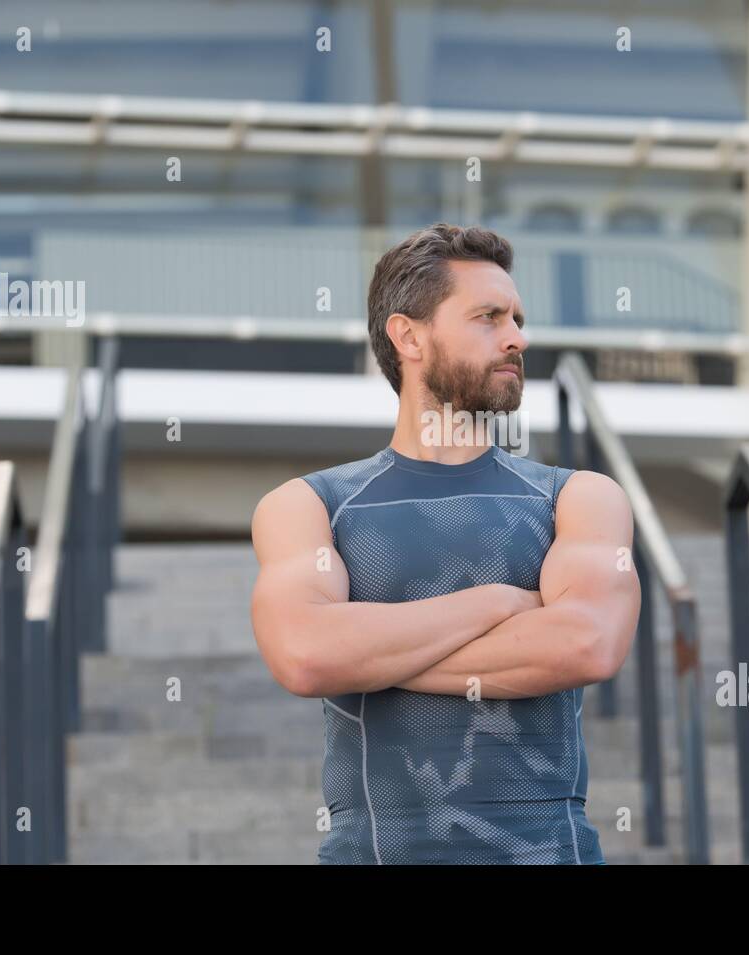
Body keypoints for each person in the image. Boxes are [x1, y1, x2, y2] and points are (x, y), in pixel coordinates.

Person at [249, 223, 639, 864]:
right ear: (409, 337)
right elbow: (305, 657)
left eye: (517, 317)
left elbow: (586, 643)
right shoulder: (307, 505)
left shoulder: (581, 497)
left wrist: (370, 657)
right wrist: (499, 604)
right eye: (489, 317)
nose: (518, 338)